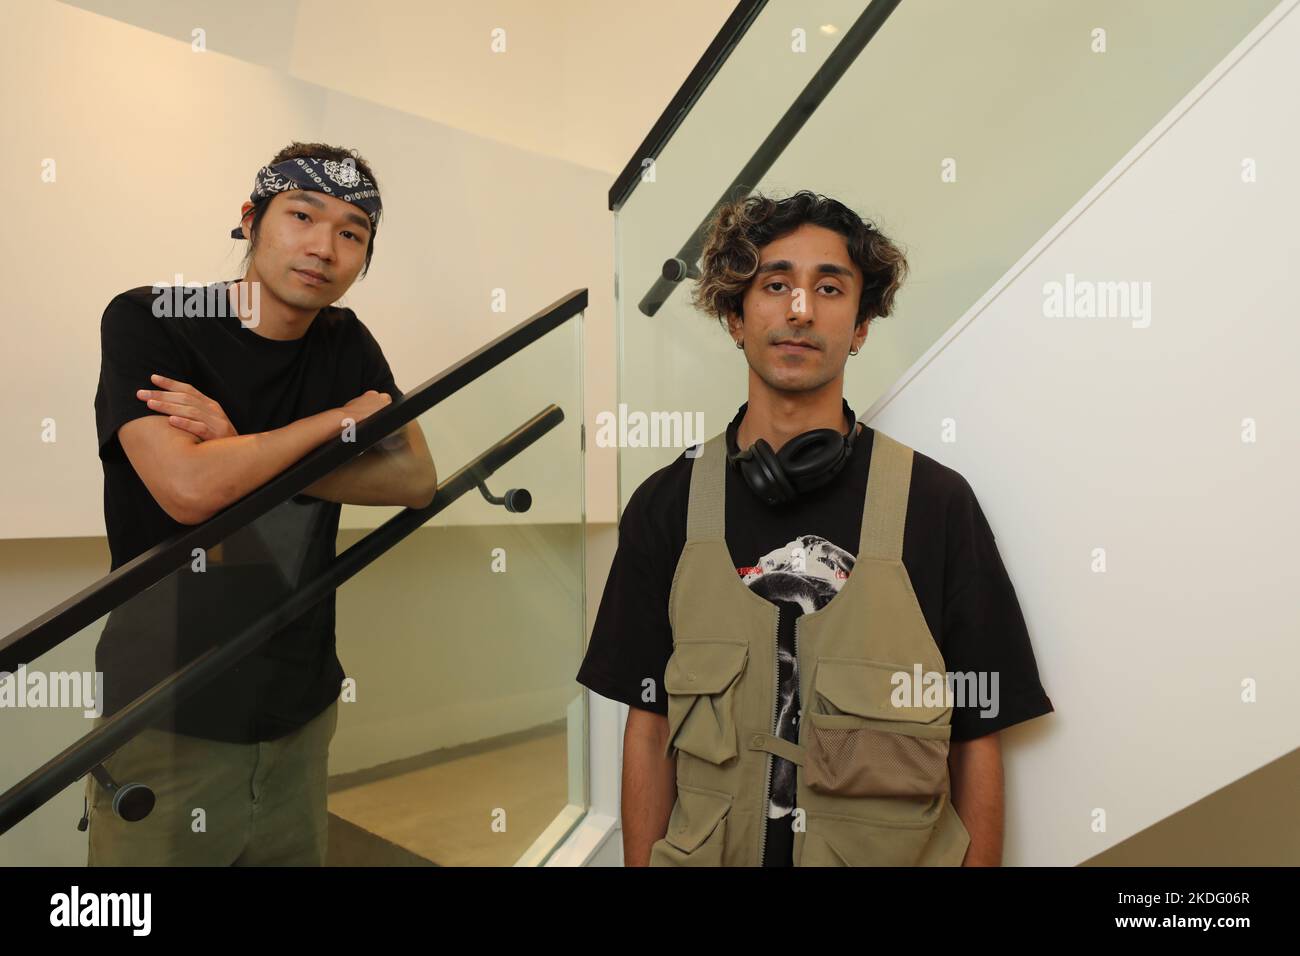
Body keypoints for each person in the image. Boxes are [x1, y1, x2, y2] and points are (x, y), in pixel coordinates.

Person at [577, 190, 1054, 867]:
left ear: (860, 327)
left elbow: (977, 735)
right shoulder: (666, 505)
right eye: (775, 284)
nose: (800, 309)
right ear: (735, 316)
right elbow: (648, 728)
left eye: (829, 288)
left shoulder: (938, 505)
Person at [86, 142, 438, 866]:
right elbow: (189, 490)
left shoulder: (346, 342)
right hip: (167, 706)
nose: (324, 248)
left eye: (352, 233)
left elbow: (414, 480)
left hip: (299, 707)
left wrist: (239, 446)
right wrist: (332, 426)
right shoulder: (152, 318)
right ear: (250, 220)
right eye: (302, 216)